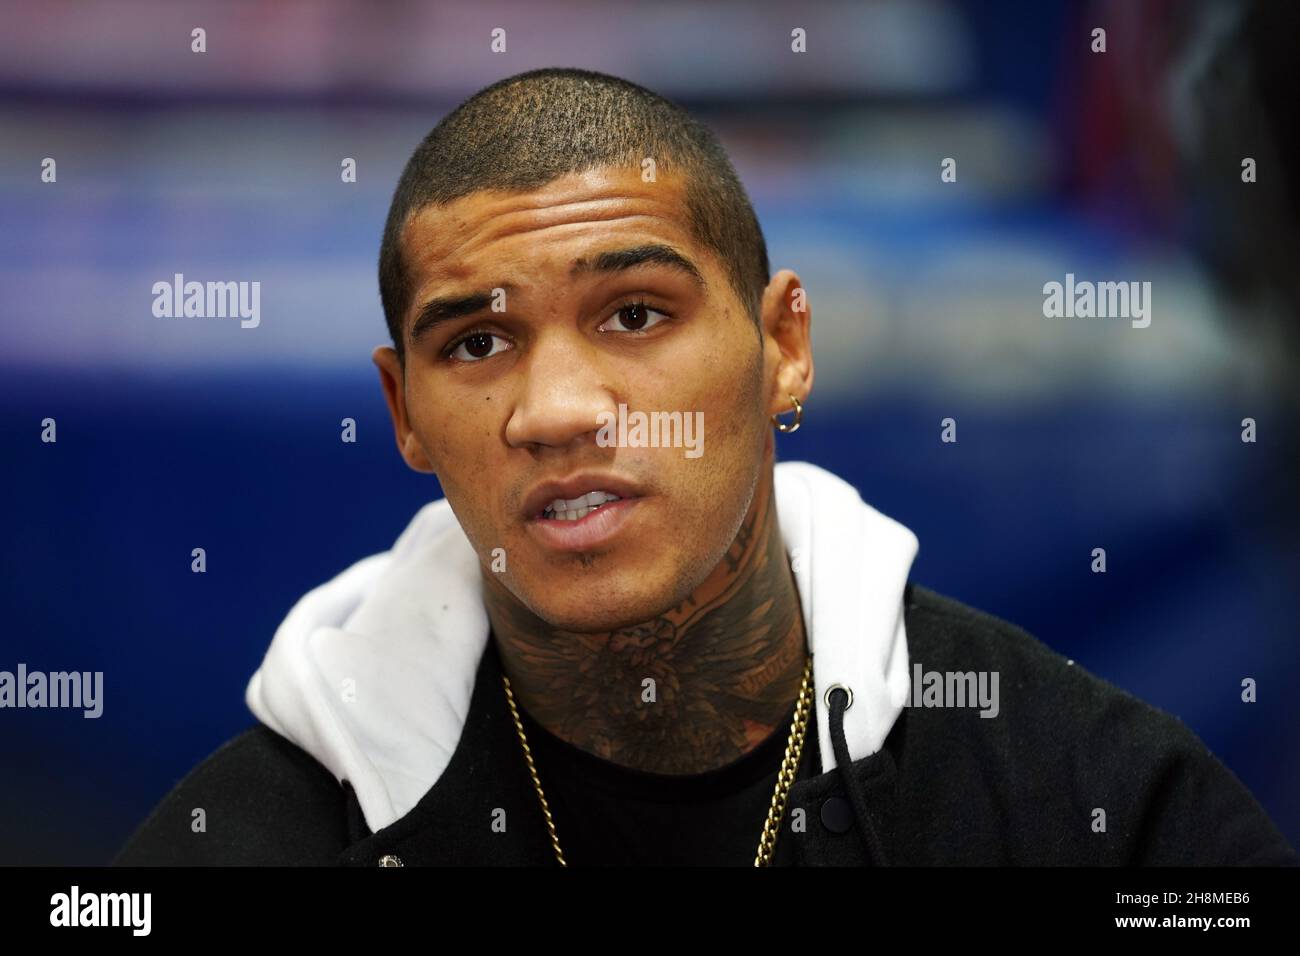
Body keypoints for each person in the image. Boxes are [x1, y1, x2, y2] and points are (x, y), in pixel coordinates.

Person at [115, 67, 1296, 867]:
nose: (557, 410)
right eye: (476, 342)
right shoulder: (249, 840)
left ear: (783, 347)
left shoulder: (1093, 803)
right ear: (404, 411)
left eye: (634, 314)